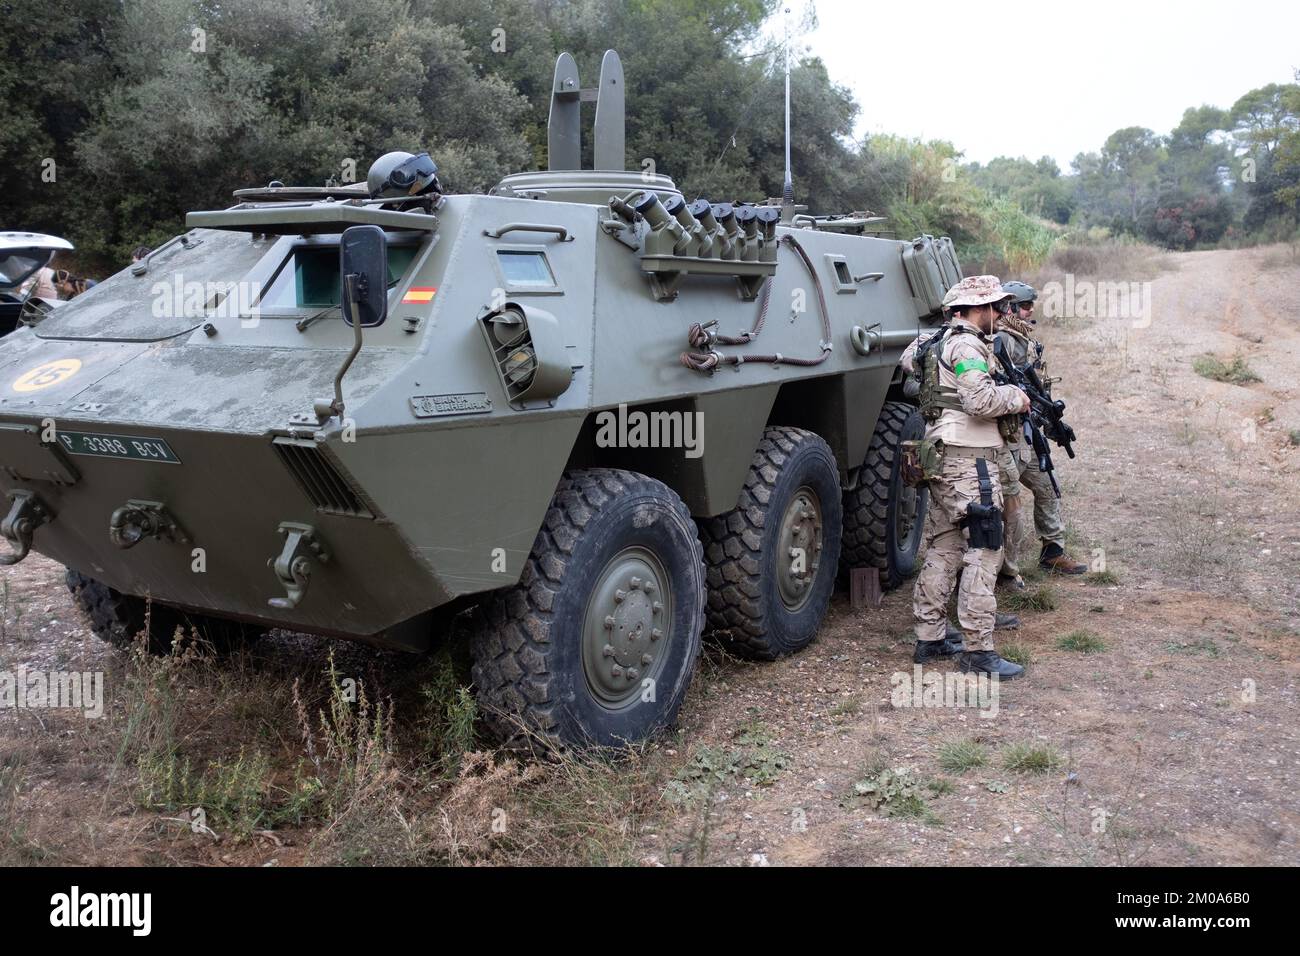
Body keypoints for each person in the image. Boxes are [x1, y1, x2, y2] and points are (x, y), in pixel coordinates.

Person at [901, 276, 1030, 679]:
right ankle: (978, 647)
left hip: (941, 457)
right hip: (969, 460)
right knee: (987, 544)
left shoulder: (933, 340)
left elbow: (908, 362)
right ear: (978, 309)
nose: (1000, 314)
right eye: (995, 307)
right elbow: (980, 400)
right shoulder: (967, 345)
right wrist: (1017, 397)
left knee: (944, 544)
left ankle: (931, 636)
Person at [997, 281, 1087, 575]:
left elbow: (1035, 390)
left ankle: (1053, 552)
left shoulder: (1022, 340)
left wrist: (1050, 423)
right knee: (1006, 504)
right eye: (1025, 305)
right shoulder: (1002, 340)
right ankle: (999, 569)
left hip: (1026, 429)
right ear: (1009, 308)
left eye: (1031, 305)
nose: (1030, 310)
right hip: (1004, 436)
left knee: (1047, 484)